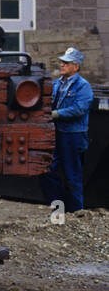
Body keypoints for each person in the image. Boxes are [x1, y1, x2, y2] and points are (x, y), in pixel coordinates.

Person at [41, 47, 94, 213]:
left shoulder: (83, 86)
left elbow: (79, 109)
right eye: (62, 62)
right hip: (57, 134)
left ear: (76, 66)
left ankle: (76, 211)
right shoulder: (57, 84)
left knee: (72, 175)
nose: (62, 64)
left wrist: (56, 114)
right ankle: (59, 208)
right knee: (47, 171)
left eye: (67, 63)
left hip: (73, 136)